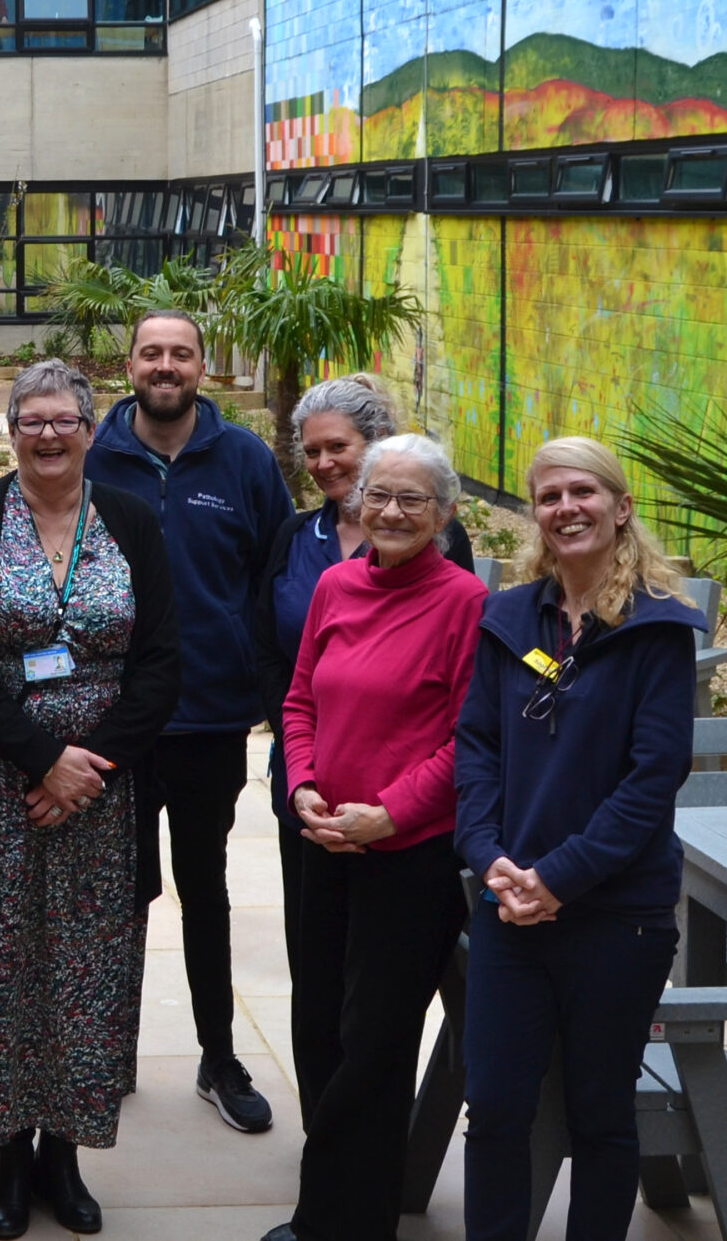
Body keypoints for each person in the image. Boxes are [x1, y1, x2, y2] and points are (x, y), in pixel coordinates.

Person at [0, 360, 183, 1239]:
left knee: (86, 976)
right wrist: (39, 760)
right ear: (12, 429)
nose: (50, 435)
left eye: (66, 420)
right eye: (32, 420)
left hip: (103, 801)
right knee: (5, 972)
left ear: (92, 428)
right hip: (0, 792)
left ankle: (65, 1154)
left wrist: (85, 766)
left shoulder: (133, 519)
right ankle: (8, 1155)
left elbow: (162, 662)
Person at [456, 437, 700, 1241]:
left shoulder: (657, 630)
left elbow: (651, 780)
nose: (566, 507)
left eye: (583, 491)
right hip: (508, 908)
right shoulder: (508, 619)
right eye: (549, 495)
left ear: (620, 506)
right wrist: (489, 857)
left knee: (599, 1113)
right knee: (494, 1107)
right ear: (535, 514)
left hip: (616, 916)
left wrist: (557, 878)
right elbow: (478, 750)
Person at [268, 434, 483, 1241]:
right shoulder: (334, 585)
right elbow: (298, 704)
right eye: (378, 495)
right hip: (323, 838)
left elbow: (471, 739)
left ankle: (339, 1218)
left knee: (376, 1041)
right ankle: (337, 1209)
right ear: (357, 502)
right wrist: (304, 788)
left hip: (410, 853)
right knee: (318, 1022)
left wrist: (390, 812)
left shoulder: (465, 602)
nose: (390, 512)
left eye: (412, 499)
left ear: (445, 513)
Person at [83, 309, 291, 1134]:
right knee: (117, 895)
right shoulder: (93, 457)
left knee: (205, 890)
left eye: (182, 353)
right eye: (151, 352)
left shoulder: (242, 459)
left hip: (209, 718)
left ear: (203, 365)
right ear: (128, 363)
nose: (165, 365)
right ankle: (104, 1052)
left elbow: (273, 578)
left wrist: (268, 702)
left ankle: (218, 1055)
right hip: (114, 725)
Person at [249, 373, 474, 1099]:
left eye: (337, 446)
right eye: (311, 451)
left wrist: (392, 806)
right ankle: (328, 1152)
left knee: (380, 1007)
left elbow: (462, 713)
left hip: (403, 822)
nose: (323, 463)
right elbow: (288, 674)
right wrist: (301, 777)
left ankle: (368, 1173)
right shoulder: (304, 545)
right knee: (315, 982)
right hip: (313, 799)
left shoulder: (449, 568)